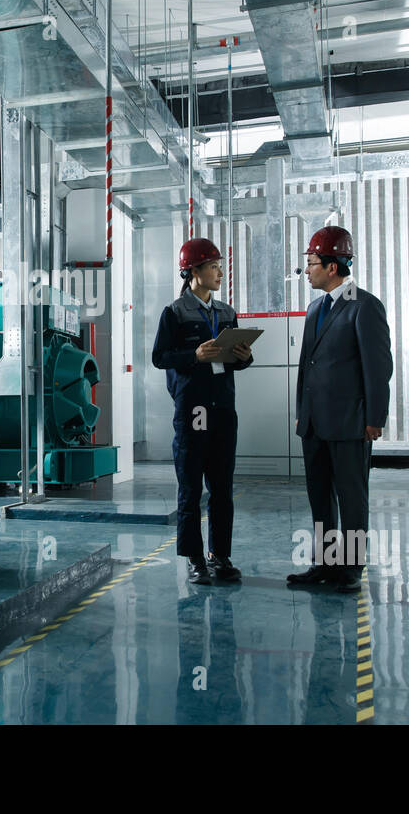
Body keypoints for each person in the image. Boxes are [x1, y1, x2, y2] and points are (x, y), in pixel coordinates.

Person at [288, 226, 392, 594]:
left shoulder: (364, 306)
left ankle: (349, 569)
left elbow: (378, 368)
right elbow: (307, 365)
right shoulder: (315, 308)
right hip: (315, 422)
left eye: (312, 263)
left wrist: (375, 418)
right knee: (320, 498)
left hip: (350, 423)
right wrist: (303, 409)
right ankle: (325, 564)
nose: (307, 271)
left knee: (350, 497)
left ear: (333, 267)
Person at [151, 237, 253, 585]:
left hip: (223, 408)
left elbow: (240, 363)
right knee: (191, 487)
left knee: (223, 487)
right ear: (193, 272)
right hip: (192, 408)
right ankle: (194, 559)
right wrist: (194, 356)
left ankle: (220, 556)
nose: (220, 272)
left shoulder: (226, 313)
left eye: (219, 266)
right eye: (213, 266)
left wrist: (243, 356)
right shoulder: (175, 313)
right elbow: (160, 358)